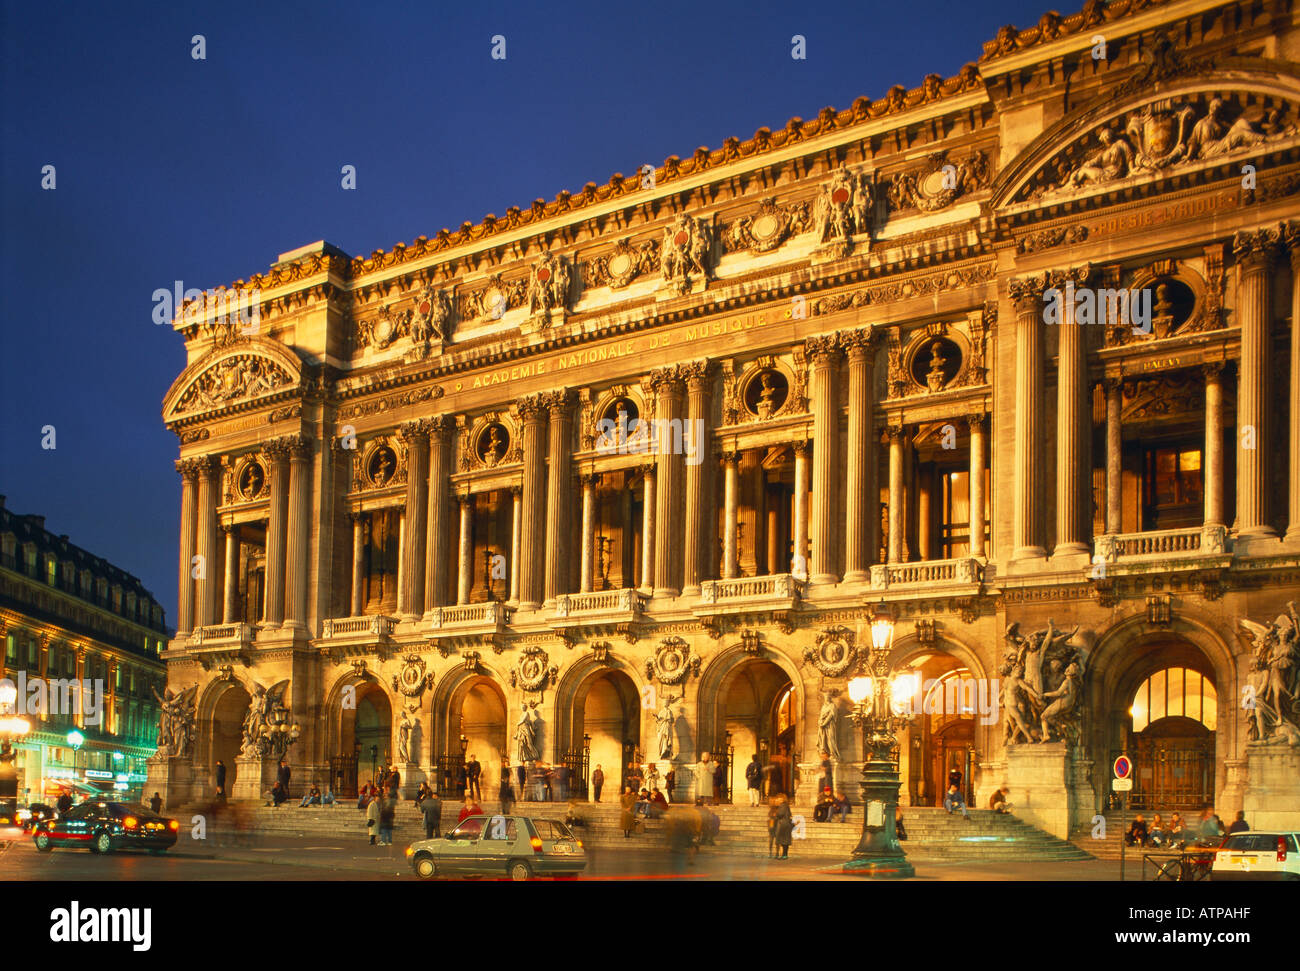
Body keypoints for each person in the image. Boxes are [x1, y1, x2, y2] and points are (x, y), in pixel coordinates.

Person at [771, 794, 794, 859]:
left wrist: (776, 814)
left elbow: (780, 814)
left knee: (784, 840)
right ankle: (784, 855)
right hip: (785, 824)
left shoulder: (783, 805)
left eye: (779, 799)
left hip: (783, 824)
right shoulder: (785, 805)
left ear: (782, 799)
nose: (777, 800)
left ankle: (784, 855)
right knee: (785, 841)